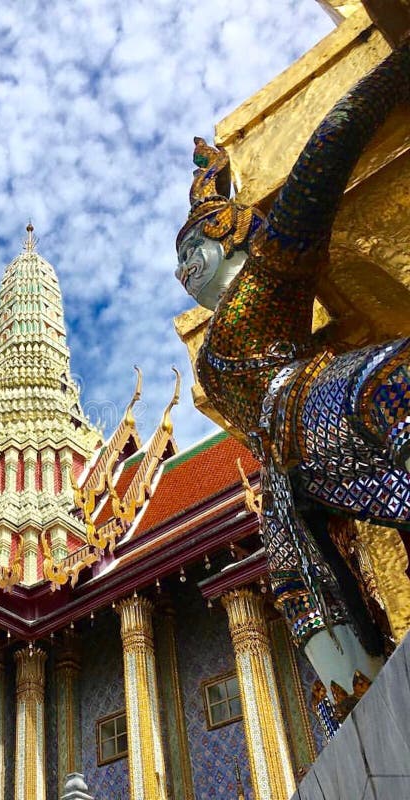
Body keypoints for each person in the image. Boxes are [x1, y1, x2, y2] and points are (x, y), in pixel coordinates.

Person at [175, 42, 410, 686]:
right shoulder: (223, 328)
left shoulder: (270, 273)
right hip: (289, 466)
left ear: (232, 236)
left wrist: (394, 73)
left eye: (193, 246)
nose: (181, 269)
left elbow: (324, 159)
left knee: (396, 391)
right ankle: (355, 694)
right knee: (301, 586)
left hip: (317, 403)